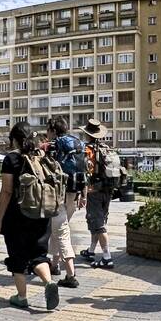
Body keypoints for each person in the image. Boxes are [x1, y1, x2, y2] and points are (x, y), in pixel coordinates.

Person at [0, 122, 62, 311]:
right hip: (42, 213)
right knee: (39, 254)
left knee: (17, 256)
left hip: (17, 215)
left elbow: (6, 191)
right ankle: (48, 282)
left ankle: (22, 297)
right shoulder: (43, 157)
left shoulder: (11, 159)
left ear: (15, 139)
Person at [47, 115, 85, 289]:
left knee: (61, 232)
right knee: (58, 228)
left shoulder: (55, 144)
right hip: (74, 193)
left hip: (59, 193)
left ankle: (70, 274)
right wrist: (83, 194)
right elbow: (84, 170)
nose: (47, 134)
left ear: (53, 130)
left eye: (48, 131)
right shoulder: (78, 142)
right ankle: (54, 265)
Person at [81, 119, 121, 268]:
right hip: (108, 190)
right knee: (98, 221)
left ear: (87, 135)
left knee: (98, 225)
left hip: (94, 191)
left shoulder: (88, 150)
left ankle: (107, 257)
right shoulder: (107, 148)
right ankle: (91, 251)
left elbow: (86, 172)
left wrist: (83, 193)